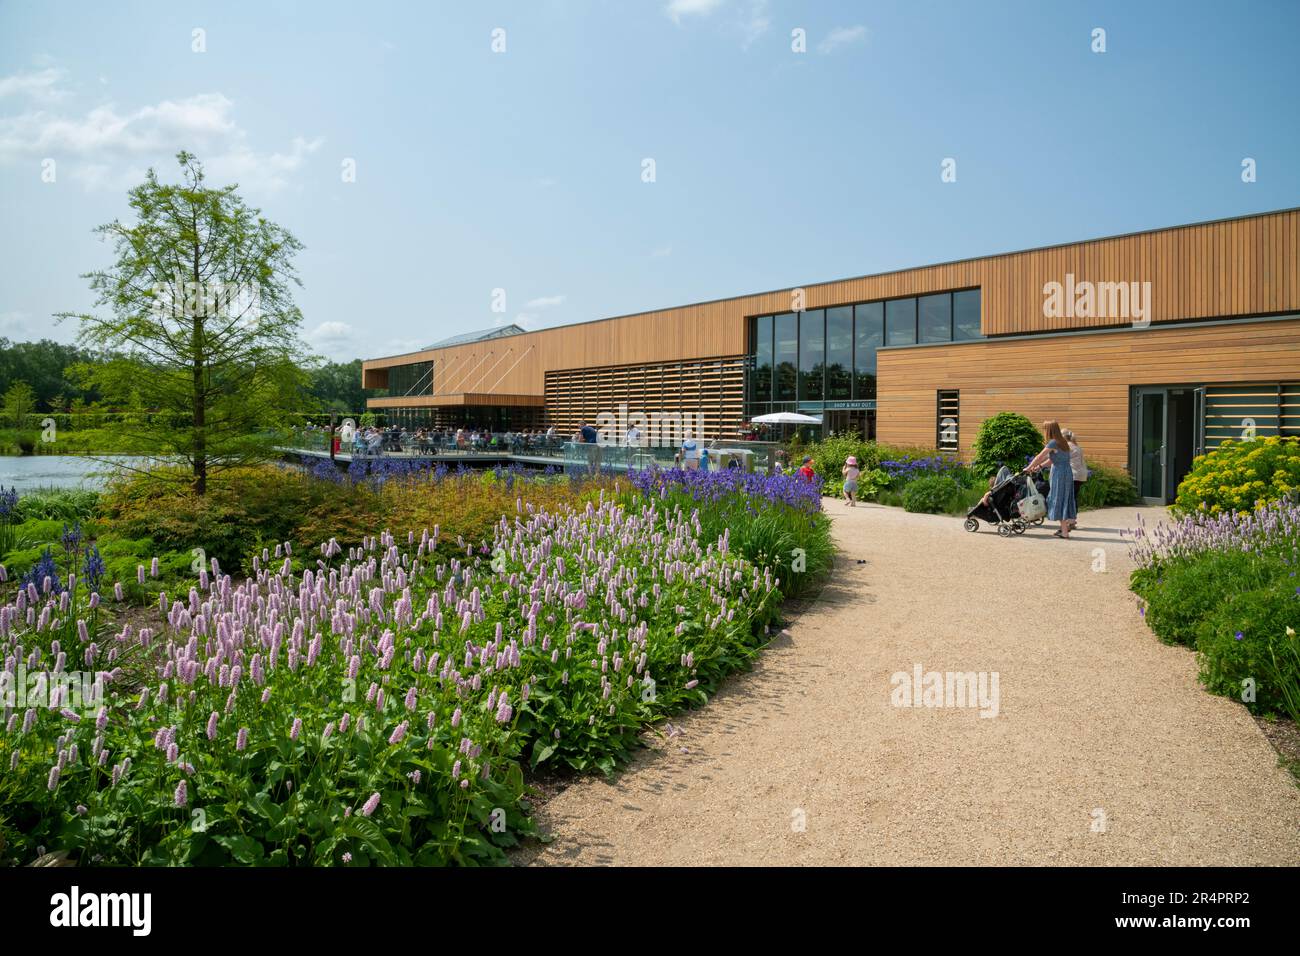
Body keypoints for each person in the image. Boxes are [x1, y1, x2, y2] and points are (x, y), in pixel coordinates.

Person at [1026, 420, 1077, 538]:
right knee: (1063, 498)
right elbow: (1052, 460)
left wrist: (1028, 467)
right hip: (1067, 472)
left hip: (1059, 474)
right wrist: (1039, 467)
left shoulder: (1053, 442)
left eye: (1045, 429)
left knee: (1058, 498)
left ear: (1049, 430)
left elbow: (1040, 456)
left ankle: (1064, 532)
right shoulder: (1063, 442)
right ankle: (1064, 529)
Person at [1063, 428, 1088, 531]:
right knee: (1073, 498)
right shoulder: (1076, 446)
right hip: (1081, 475)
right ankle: (1072, 520)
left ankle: (1070, 521)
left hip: (1073, 475)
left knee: (1069, 498)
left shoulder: (1067, 446)